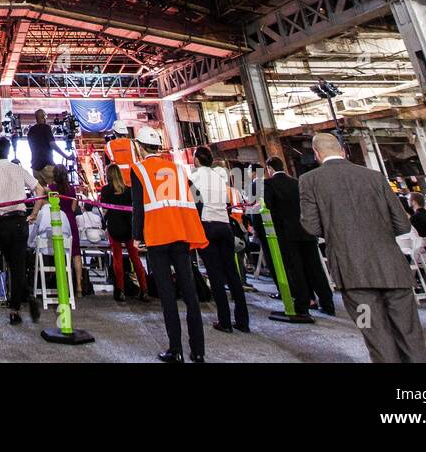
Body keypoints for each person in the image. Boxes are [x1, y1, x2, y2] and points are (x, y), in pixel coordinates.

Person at [299, 132, 426, 363]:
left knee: (374, 333)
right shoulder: (375, 177)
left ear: (316, 155)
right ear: (343, 151)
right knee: (410, 333)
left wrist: (338, 232)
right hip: (392, 269)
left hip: (353, 272)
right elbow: (402, 223)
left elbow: (310, 226)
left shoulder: (310, 181)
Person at [127, 125, 208, 363]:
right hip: (181, 234)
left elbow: (138, 206)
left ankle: (176, 350)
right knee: (190, 295)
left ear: (139, 148)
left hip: (157, 235)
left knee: (167, 295)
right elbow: (197, 199)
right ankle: (199, 351)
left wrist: (137, 235)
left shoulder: (139, 169)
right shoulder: (177, 168)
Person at [0, 136, 41, 325]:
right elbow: (40, 190)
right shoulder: (18, 169)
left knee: (13, 262)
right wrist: (34, 213)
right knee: (18, 263)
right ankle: (20, 302)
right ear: (9, 151)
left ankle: (20, 302)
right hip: (20, 222)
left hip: (1, 224)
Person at [263, 155, 335, 317]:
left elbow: (266, 207)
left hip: (286, 234)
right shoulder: (298, 183)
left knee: (295, 269)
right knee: (315, 267)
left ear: (269, 169)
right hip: (306, 231)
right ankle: (327, 302)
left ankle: (303, 304)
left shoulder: (269, 184)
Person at [190, 145, 249, 333]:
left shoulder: (194, 177)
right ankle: (242, 321)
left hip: (207, 226)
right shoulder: (219, 177)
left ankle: (224, 320)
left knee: (215, 274)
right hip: (224, 226)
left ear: (197, 160)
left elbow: (194, 204)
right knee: (232, 274)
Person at [100, 164, 147, 303]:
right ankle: (144, 289)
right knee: (135, 258)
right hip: (129, 227)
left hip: (114, 226)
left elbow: (105, 210)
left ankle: (120, 290)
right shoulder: (129, 191)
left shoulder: (106, 190)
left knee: (117, 258)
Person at [26, 109, 54, 173]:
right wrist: (65, 156)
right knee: (54, 182)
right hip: (47, 164)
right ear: (43, 117)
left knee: (38, 183)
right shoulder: (46, 127)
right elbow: (52, 144)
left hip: (35, 166)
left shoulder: (31, 130)